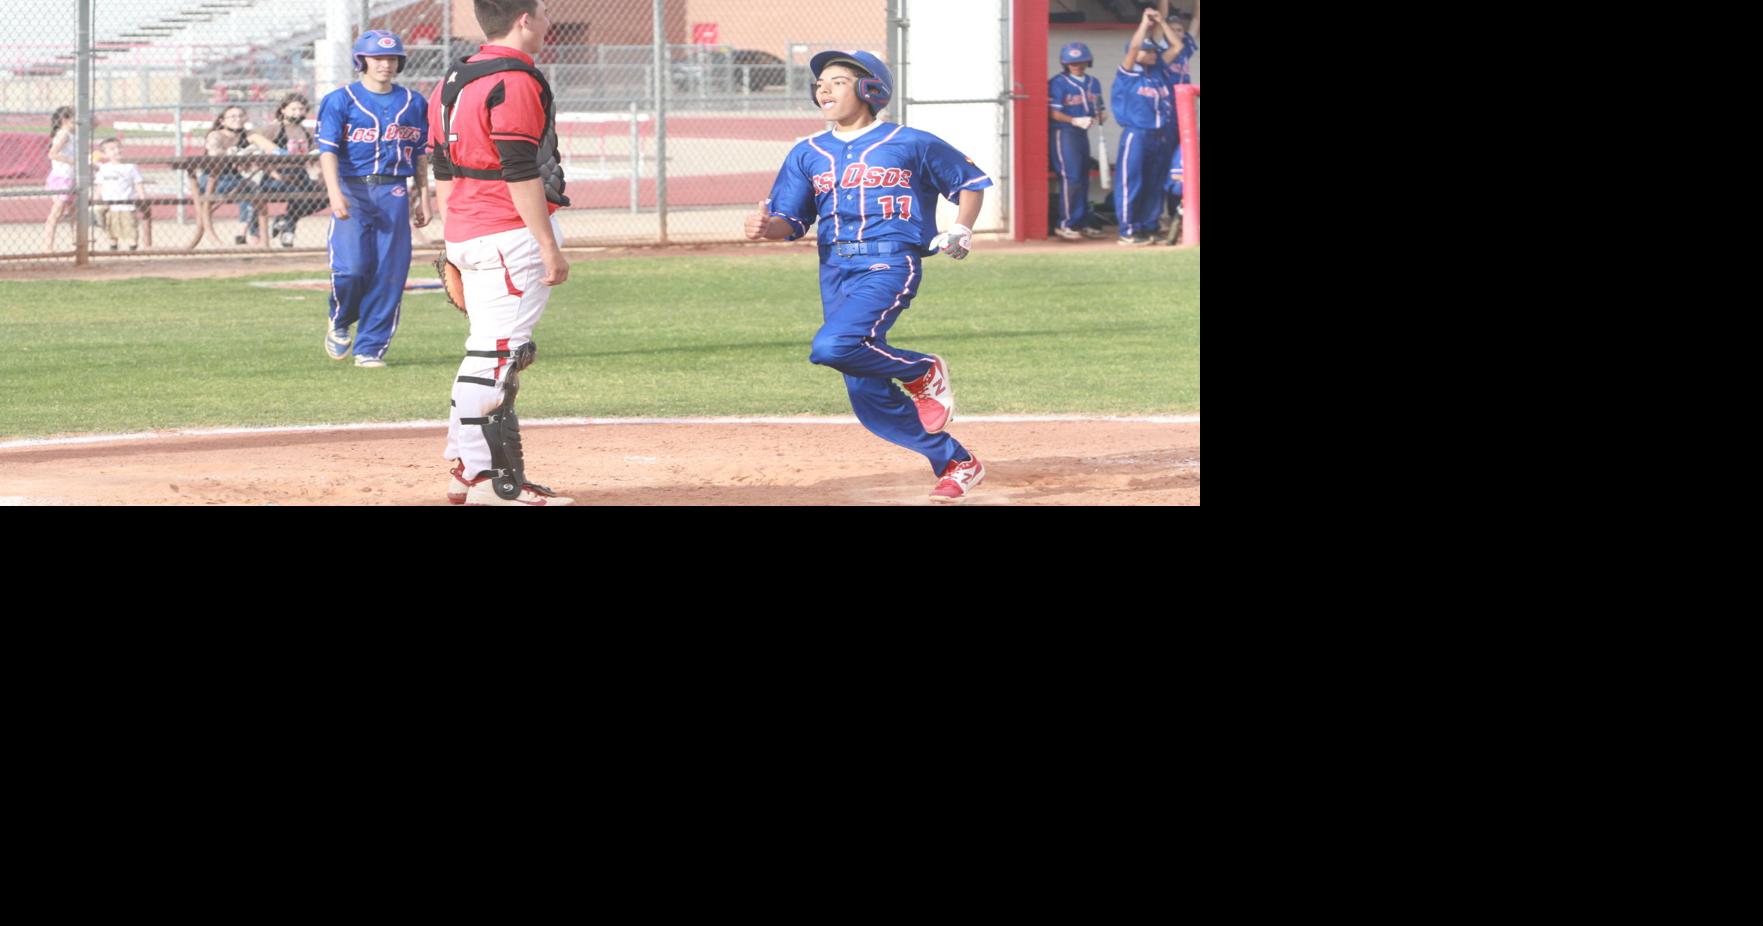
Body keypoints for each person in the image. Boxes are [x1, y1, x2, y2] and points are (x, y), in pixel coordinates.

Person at [744, 49, 991, 502]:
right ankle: (957, 462)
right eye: (820, 82)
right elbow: (791, 221)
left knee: (833, 346)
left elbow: (969, 183)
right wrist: (766, 229)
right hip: (836, 268)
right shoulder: (808, 152)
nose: (824, 88)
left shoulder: (910, 141)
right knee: (867, 393)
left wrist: (961, 228)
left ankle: (923, 370)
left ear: (869, 88)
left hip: (890, 260)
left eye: (837, 80)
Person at [429, 0, 574, 507]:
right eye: (542, 14)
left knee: (488, 353)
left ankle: (468, 471)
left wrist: (452, 239)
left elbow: (442, 169)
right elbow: (520, 170)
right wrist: (547, 245)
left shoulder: (453, 79)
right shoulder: (514, 81)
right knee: (498, 356)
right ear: (524, 19)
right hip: (507, 233)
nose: (547, 23)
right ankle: (490, 481)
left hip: (469, 230)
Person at [316, 29, 430, 369]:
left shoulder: (413, 102)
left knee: (389, 273)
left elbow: (421, 154)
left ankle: (370, 347)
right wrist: (334, 193)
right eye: (378, 58)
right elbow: (327, 151)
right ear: (361, 61)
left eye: (392, 57)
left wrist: (423, 197)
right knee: (351, 269)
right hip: (352, 189)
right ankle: (340, 319)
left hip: (394, 190)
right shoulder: (341, 100)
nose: (385, 64)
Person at [1110, 6, 1179, 245]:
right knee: (1132, 182)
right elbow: (1134, 47)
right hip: (1136, 134)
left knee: (1154, 183)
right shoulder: (1128, 74)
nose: (1152, 54)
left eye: (1153, 50)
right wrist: (1144, 23)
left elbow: (1177, 47)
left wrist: (1162, 21)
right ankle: (1128, 231)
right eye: (1148, 51)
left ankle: (1149, 227)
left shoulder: (1158, 72)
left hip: (1159, 135)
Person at [248, 93, 325, 248]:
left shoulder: (307, 132)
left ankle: (285, 220)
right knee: (298, 193)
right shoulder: (274, 128)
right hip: (276, 176)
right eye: (293, 109)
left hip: (300, 175)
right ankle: (287, 229)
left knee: (325, 196)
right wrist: (273, 168)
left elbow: (317, 153)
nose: (298, 112)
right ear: (283, 110)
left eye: (301, 109)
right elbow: (255, 143)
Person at [1049, 42, 1106, 240]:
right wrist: (1073, 120)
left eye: (1081, 62)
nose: (1078, 66)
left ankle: (1080, 223)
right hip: (1064, 133)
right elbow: (1053, 112)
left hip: (1082, 134)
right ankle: (1065, 224)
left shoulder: (1093, 82)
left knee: (1083, 178)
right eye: (1073, 63)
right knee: (1071, 177)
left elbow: (1100, 108)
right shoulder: (1058, 82)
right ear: (1065, 63)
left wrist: (1100, 116)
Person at [1157, 0, 1200, 245]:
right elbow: (1162, 17)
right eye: (1173, 31)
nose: (1178, 34)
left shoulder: (1185, 48)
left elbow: (1196, 20)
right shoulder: (1165, 49)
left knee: (1182, 164)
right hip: (1167, 111)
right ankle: (1165, 214)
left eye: (1180, 31)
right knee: (1166, 167)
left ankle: (1181, 214)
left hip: (1185, 112)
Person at [201, 105, 264, 245]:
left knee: (254, 191)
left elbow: (260, 150)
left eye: (241, 116)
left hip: (236, 178)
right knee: (249, 189)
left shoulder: (247, 135)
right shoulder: (216, 134)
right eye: (233, 116)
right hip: (213, 179)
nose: (238, 119)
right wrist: (232, 152)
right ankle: (249, 233)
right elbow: (213, 152)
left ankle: (245, 233)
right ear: (223, 121)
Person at [92, 137, 147, 252]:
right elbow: (99, 185)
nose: (117, 150)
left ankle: (132, 248)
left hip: (127, 204)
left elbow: (138, 183)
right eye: (112, 149)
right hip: (110, 205)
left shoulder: (130, 167)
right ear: (105, 154)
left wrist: (142, 197)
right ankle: (113, 247)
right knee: (111, 228)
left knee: (130, 228)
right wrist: (96, 198)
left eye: (119, 147)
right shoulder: (104, 168)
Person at [43, 105, 77, 253]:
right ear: (65, 120)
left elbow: (96, 122)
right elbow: (52, 153)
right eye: (75, 116)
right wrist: (72, 161)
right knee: (56, 212)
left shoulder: (72, 133)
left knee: (74, 213)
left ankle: (78, 243)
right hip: (61, 178)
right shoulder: (63, 134)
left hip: (71, 177)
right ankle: (48, 246)